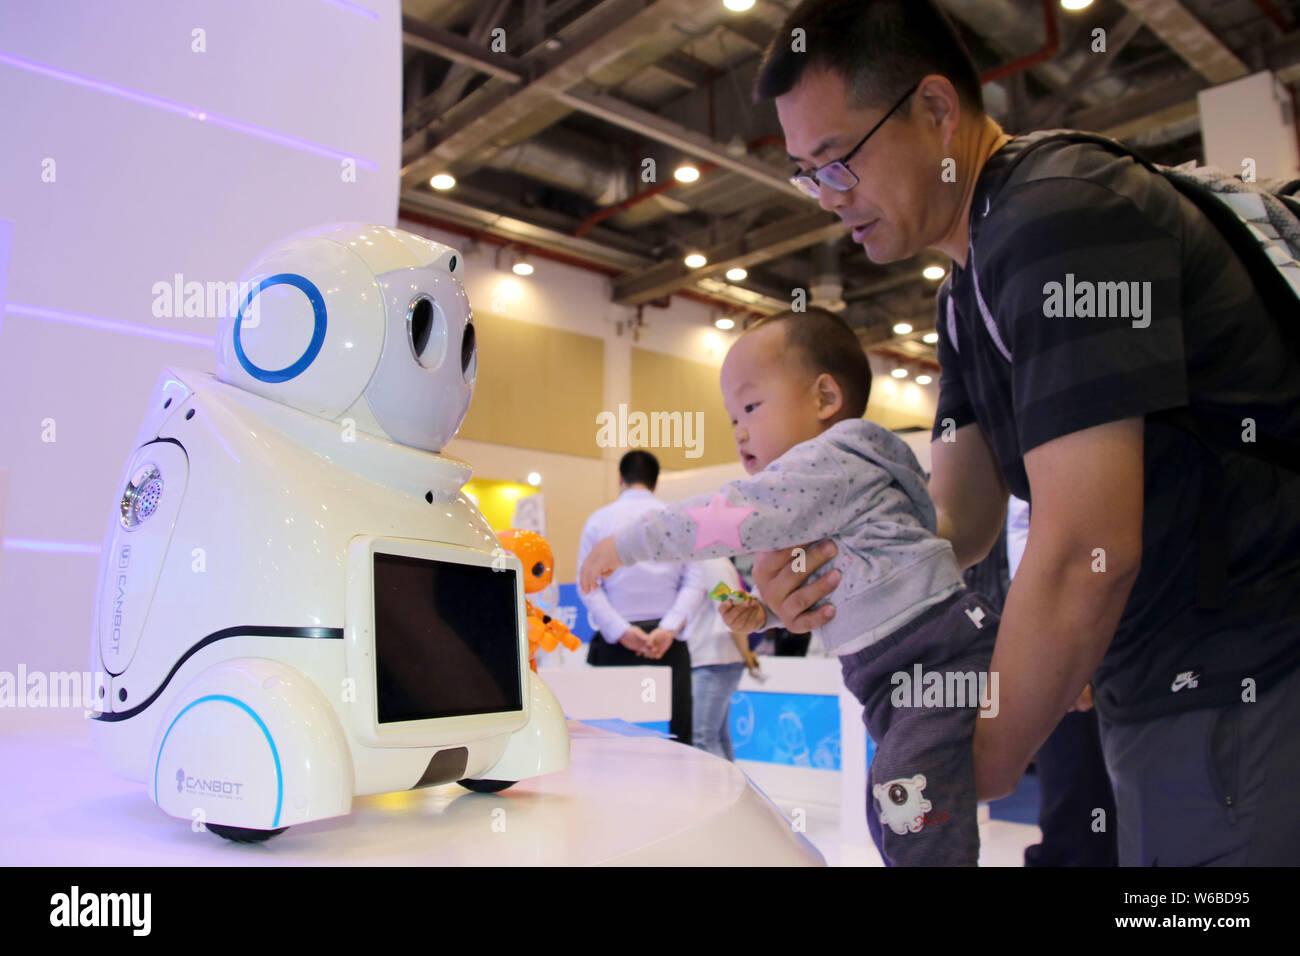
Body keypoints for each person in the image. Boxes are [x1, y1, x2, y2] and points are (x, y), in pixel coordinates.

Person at [749, 0, 1300, 865]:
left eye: (840, 161)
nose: (829, 199)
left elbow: (1090, 544)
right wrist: (833, 566)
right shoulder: (966, 291)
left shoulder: (1055, 217)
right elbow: (954, 526)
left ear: (936, 109)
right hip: (1152, 687)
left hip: (1250, 675)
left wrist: (974, 760)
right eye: (807, 174)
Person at [581, 308, 1000, 866]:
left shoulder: (827, 463)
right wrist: (767, 614)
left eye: (752, 407)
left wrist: (627, 544)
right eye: (732, 418)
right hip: (892, 672)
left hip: (932, 652)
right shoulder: (839, 489)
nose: (740, 431)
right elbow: (844, 578)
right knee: (896, 802)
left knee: (908, 792)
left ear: (825, 398)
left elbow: (725, 515)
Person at [576, 450, 705, 745]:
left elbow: (588, 583)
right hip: (666, 646)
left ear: (620, 478)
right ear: (655, 482)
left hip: (615, 646)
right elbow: (695, 581)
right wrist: (668, 628)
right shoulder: (677, 519)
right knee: (675, 740)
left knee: (608, 740)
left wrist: (620, 631)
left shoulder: (598, 520)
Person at [681, 556, 759, 761]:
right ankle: (731, 790)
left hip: (715, 659)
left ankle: (719, 792)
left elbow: (735, 610)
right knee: (716, 737)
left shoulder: (712, 563)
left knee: (705, 739)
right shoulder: (708, 563)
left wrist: (746, 655)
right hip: (713, 659)